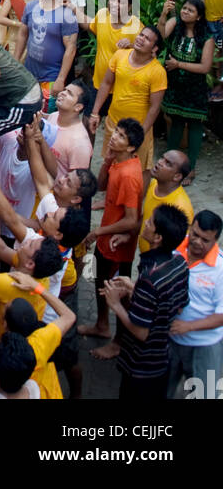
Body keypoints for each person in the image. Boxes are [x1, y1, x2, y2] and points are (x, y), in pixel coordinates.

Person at [105, 202, 190, 400]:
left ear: (158, 238)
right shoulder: (179, 264)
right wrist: (134, 288)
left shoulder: (149, 279)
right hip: (163, 357)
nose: (146, 224)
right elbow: (176, 307)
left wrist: (115, 305)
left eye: (150, 222)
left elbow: (141, 332)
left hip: (142, 365)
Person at [79, 117, 145, 354]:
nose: (113, 137)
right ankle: (102, 325)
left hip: (117, 244)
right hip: (108, 239)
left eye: (120, 136)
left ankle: (120, 340)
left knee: (118, 290)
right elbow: (101, 186)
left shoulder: (129, 175)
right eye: (115, 132)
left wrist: (98, 231)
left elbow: (131, 219)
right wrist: (106, 160)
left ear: (130, 147)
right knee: (100, 281)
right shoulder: (119, 162)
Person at [89, 24, 167, 173]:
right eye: (141, 35)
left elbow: (155, 107)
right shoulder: (120, 55)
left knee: (138, 169)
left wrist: (141, 134)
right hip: (114, 123)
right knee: (109, 163)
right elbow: (106, 84)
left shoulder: (158, 72)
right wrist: (95, 112)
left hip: (137, 129)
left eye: (147, 39)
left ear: (154, 49)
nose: (141, 39)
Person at [158, 0, 214, 180]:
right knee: (176, 122)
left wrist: (178, 64)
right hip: (175, 86)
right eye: (184, 8)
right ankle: (170, 163)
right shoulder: (175, 23)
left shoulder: (206, 37)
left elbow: (205, 67)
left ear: (198, 16)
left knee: (195, 125)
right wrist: (164, 14)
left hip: (194, 89)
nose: (185, 12)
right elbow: (161, 34)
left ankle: (189, 168)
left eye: (190, 10)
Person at [169, 210, 223, 397]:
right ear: (191, 228)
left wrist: (188, 326)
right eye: (195, 234)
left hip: (205, 346)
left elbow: (221, 315)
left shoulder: (220, 270)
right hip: (170, 340)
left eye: (205, 240)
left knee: (204, 394)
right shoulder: (174, 246)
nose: (197, 242)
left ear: (215, 241)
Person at [14, 0, 79, 112]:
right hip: (29, 73)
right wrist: (15, 61)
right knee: (26, 113)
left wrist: (61, 79)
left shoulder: (66, 14)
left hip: (51, 77)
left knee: (45, 118)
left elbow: (71, 49)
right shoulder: (30, 7)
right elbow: (22, 34)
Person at [85, 0, 143, 93]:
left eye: (120, 2)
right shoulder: (102, 14)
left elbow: (149, 54)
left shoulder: (136, 27)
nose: (114, 4)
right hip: (97, 84)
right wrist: (73, 9)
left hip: (120, 91)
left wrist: (131, 46)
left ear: (130, 7)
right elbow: (90, 26)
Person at [139, 151, 193, 254]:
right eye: (162, 158)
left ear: (177, 176)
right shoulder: (155, 184)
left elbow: (179, 249)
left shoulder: (181, 208)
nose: (159, 162)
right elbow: (145, 216)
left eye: (168, 163)